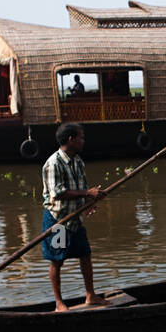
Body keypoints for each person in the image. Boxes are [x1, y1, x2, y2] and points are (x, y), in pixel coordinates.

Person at [41, 123, 107, 312]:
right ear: (71, 139)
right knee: (57, 259)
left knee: (85, 254)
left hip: (75, 220)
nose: (83, 141)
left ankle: (90, 295)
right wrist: (87, 192)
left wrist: (89, 202)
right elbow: (58, 193)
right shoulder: (54, 163)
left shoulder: (77, 161)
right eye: (81, 137)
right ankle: (59, 303)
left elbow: (81, 190)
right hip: (59, 221)